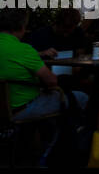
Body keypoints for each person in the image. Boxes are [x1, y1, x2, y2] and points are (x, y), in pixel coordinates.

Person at [0, 9, 87, 162]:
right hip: (20, 109)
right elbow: (52, 81)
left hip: (5, 108)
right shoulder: (24, 50)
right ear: (21, 27)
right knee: (80, 97)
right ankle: (57, 153)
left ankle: (39, 146)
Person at [28, 7, 92, 58]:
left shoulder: (78, 32)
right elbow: (27, 55)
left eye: (72, 27)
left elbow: (82, 52)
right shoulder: (41, 34)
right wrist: (42, 53)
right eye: (65, 27)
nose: (68, 31)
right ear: (58, 23)